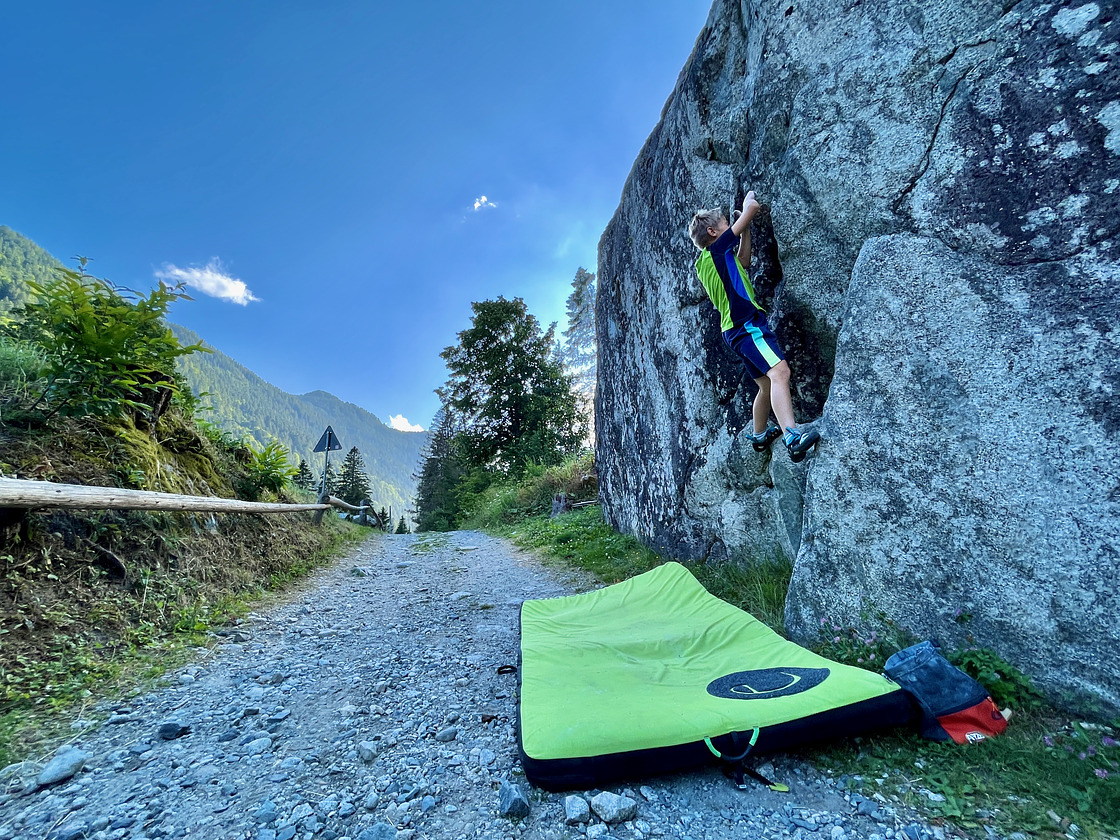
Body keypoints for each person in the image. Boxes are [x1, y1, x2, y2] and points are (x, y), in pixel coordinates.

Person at [688, 192, 820, 462]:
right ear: (713, 232)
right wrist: (748, 204)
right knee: (780, 372)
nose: (730, 225)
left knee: (765, 385)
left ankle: (759, 435)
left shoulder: (708, 261)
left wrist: (743, 229)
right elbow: (753, 208)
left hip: (733, 330)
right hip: (747, 324)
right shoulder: (716, 249)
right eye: (726, 223)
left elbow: (744, 262)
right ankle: (792, 436)